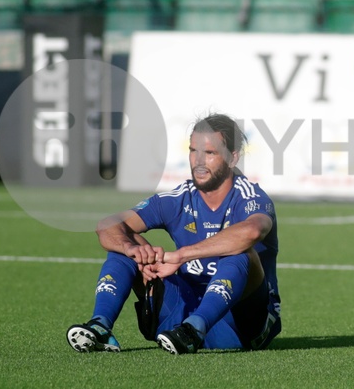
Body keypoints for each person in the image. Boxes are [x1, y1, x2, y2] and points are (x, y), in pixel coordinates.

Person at [67, 113, 281, 355]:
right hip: (181, 309)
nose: (198, 161)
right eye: (193, 151)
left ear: (233, 158)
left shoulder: (250, 196)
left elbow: (252, 230)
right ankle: (100, 326)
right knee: (125, 245)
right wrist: (134, 251)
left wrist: (180, 256)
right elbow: (107, 225)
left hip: (240, 324)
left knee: (241, 253)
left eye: (210, 153)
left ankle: (194, 330)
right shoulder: (179, 198)